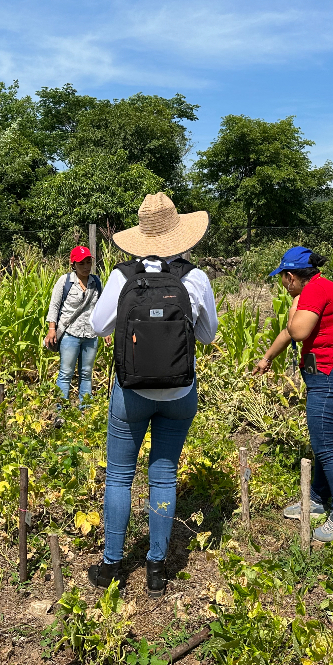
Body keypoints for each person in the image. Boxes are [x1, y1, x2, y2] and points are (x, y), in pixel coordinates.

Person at [87, 193, 218, 598]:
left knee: (121, 476)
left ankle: (112, 565)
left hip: (131, 392)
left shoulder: (122, 276)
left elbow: (98, 326)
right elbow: (208, 335)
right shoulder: (194, 278)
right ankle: (157, 568)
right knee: (163, 476)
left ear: (139, 235)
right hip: (180, 392)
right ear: (180, 233)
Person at [255, 247, 333, 542]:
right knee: (322, 443)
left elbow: (297, 331)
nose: (282, 284)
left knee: (327, 446)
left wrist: (295, 302)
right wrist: (268, 357)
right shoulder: (319, 288)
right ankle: (315, 500)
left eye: (283, 278)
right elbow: (291, 333)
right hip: (330, 376)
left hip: (332, 377)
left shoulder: (313, 292)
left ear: (291, 277)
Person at [44, 246, 104, 407]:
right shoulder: (65, 281)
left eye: (88, 262)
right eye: (81, 263)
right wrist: (51, 329)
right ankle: (60, 411)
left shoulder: (96, 282)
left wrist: (105, 331)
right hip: (70, 334)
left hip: (90, 335)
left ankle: (86, 411)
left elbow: (100, 308)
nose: (85, 267)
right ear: (73, 264)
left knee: (86, 373)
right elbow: (54, 306)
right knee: (66, 373)